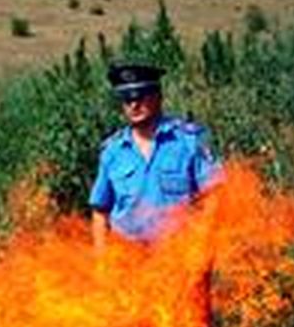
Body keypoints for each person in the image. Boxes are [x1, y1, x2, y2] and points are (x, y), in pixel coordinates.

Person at [88, 63, 223, 247]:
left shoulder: (188, 141)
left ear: (158, 97)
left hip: (180, 256)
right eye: (127, 100)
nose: (134, 105)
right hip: (127, 261)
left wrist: (202, 248)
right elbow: (100, 211)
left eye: (140, 97)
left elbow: (213, 196)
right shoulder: (112, 152)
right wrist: (102, 262)